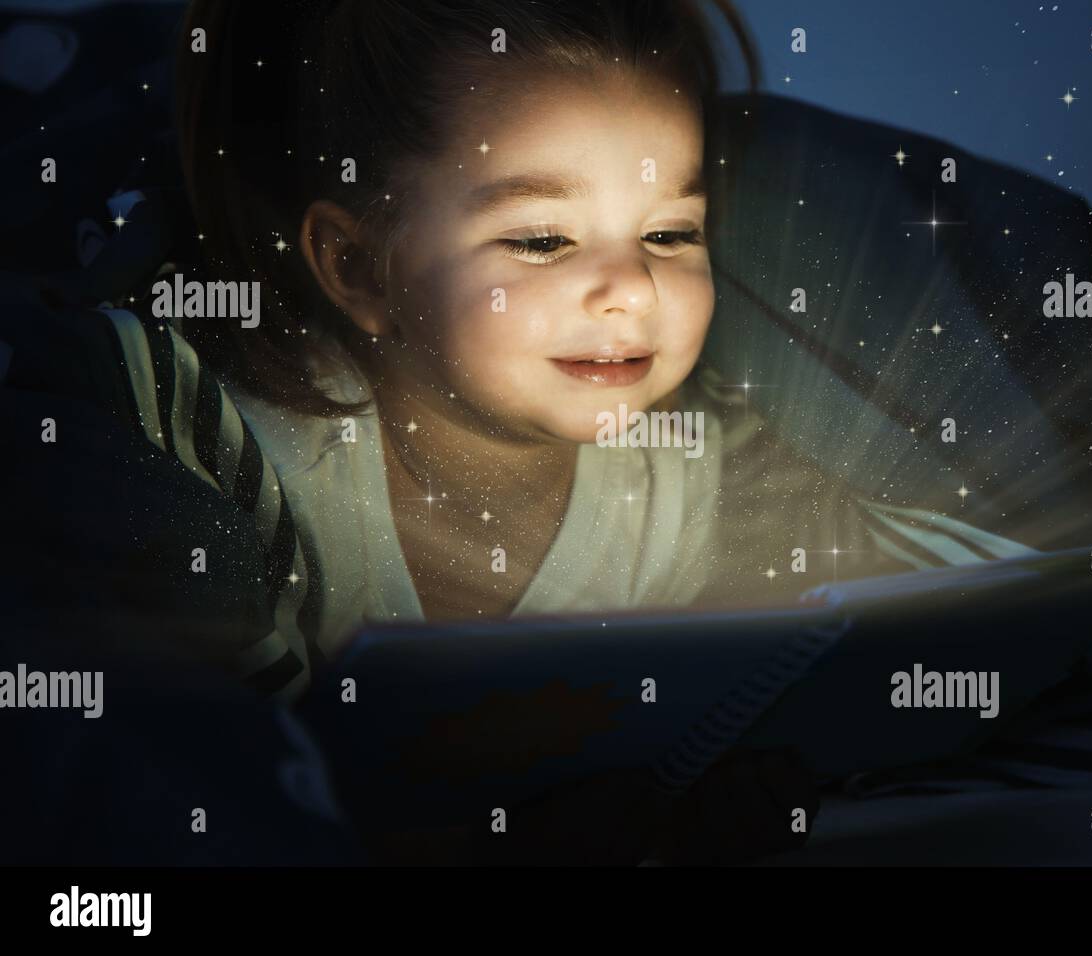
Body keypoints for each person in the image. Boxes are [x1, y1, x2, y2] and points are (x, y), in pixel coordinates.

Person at [172, 0, 1035, 863]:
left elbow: (957, 625)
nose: (633, 289)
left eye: (670, 233)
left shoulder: (712, 465)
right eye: (544, 239)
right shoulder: (215, 455)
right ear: (361, 268)